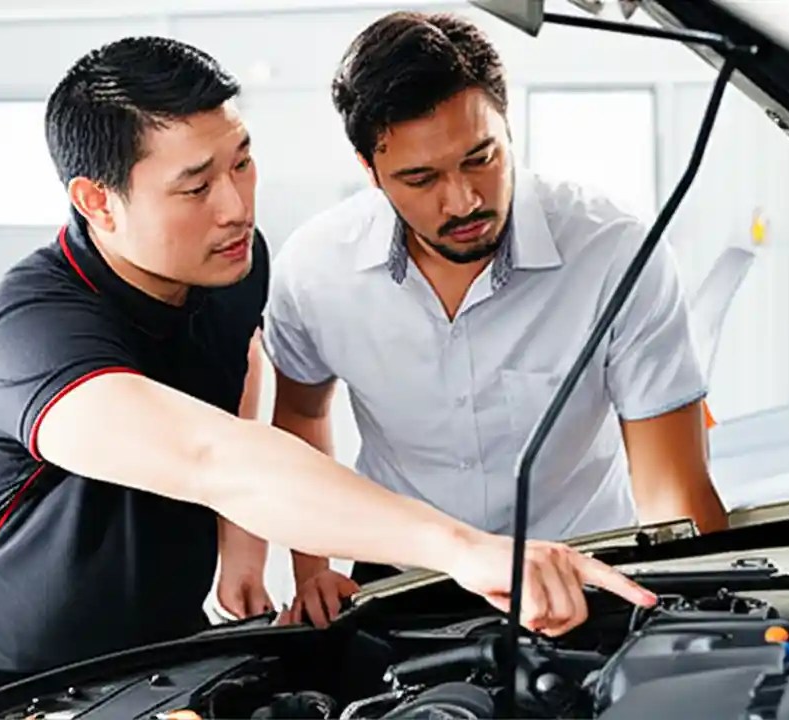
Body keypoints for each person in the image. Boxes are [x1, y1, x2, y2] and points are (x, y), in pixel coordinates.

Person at [0, 35, 656, 712]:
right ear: (98, 201)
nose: (235, 207)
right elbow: (211, 456)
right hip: (9, 678)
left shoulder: (232, 264)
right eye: (195, 187)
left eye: (242, 161)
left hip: (162, 652)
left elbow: (243, 370)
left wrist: (243, 546)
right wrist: (465, 547)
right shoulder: (31, 330)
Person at [260, 11, 729, 628]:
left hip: (584, 571)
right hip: (403, 580)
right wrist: (312, 570)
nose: (463, 201)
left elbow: (673, 492)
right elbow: (301, 414)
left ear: (510, 129)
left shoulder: (616, 252)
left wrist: (700, 621)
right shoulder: (315, 267)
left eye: (481, 158)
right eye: (420, 178)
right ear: (368, 169)